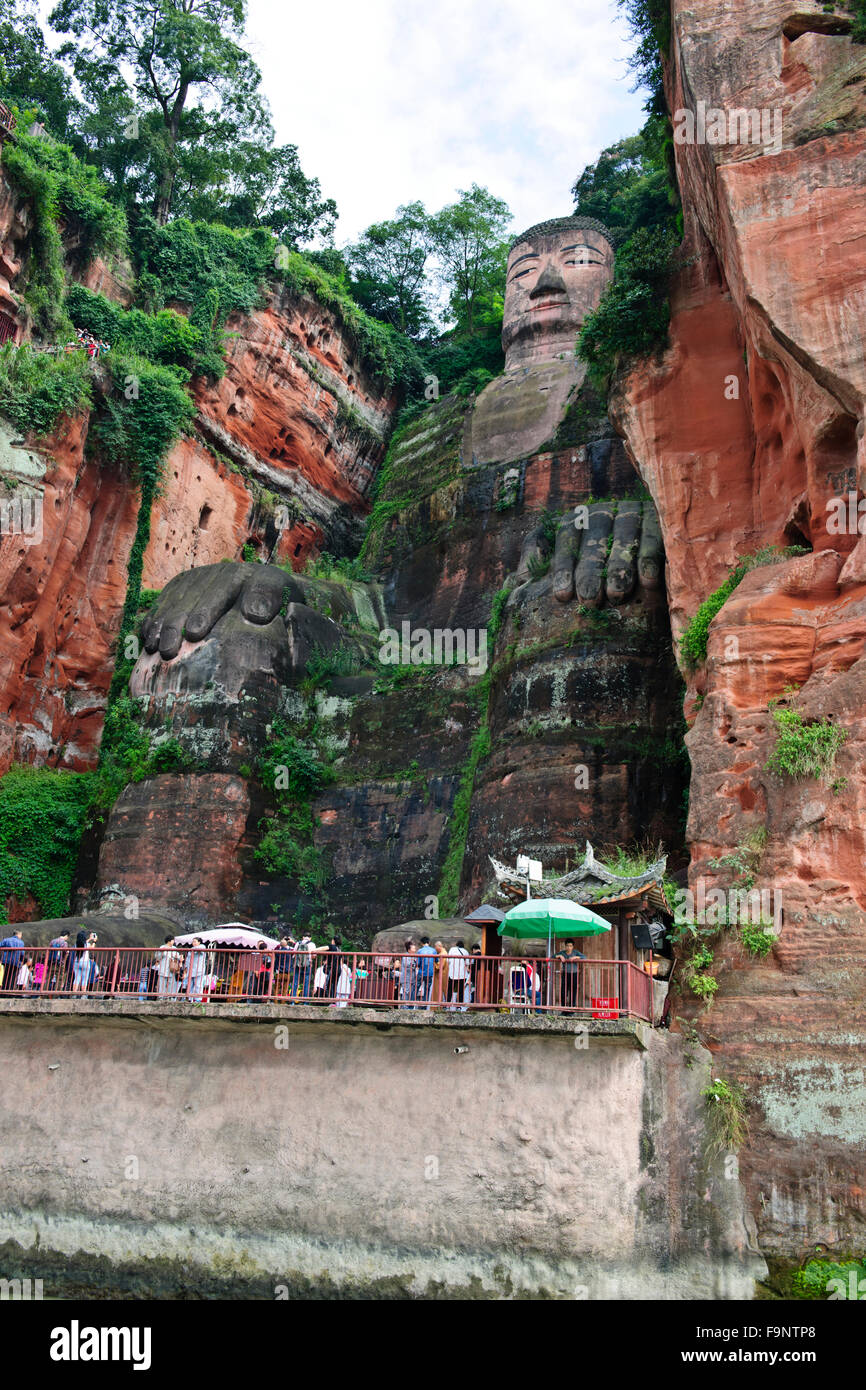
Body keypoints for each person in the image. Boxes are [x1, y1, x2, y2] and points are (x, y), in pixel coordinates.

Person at [556, 938, 586, 1011]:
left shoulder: (575, 952)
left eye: (570, 946)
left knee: (573, 992)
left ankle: (572, 1010)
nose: (569, 947)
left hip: (574, 974)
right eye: (567, 946)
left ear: (572, 947)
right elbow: (553, 956)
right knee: (563, 992)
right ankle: (564, 1009)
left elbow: (584, 957)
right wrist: (559, 956)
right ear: (565, 946)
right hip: (565, 974)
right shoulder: (563, 953)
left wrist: (576, 957)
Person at [447, 939, 470, 1010]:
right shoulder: (466, 951)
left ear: (456, 945)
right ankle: (459, 1006)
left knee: (450, 989)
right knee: (460, 991)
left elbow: (448, 961)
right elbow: (467, 963)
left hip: (452, 974)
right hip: (462, 974)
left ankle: (447, 1004)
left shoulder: (452, 949)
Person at [293, 933, 315, 1000]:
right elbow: (314, 955)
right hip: (307, 964)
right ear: (310, 938)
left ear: (303, 937)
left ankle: (293, 1000)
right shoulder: (312, 944)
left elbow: (294, 953)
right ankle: (305, 1001)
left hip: (298, 964)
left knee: (295, 982)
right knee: (306, 983)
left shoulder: (298, 943)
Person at [415, 936, 437, 1005]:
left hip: (421, 972)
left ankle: (413, 1002)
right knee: (427, 989)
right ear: (429, 942)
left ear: (422, 943)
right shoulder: (433, 951)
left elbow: (418, 963)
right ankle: (425, 1004)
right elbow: (437, 960)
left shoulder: (420, 951)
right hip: (430, 973)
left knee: (417, 987)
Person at [398, 940, 417, 1008]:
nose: (415, 949)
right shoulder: (406, 956)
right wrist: (414, 963)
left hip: (413, 978)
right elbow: (408, 965)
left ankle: (410, 1008)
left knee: (412, 994)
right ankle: (405, 1008)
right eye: (413, 948)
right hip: (406, 978)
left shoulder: (414, 956)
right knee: (406, 993)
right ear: (409, 950)